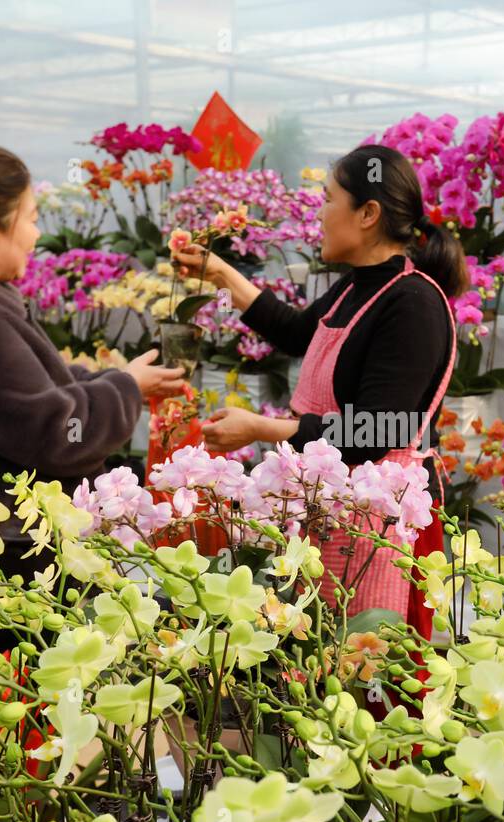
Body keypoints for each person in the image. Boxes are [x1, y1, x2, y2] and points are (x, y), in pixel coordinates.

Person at [171, 144, 463, 633]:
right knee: (315, 672)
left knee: (368, 679)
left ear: (368, 213)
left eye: (328, 199)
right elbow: (294, 331)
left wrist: (262, 429)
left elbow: (378, 429)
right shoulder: (358, 284)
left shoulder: (413, 304)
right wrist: (219, 273)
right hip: (331, 510)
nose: (319, 214)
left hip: (383, 528)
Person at [0, 143, 186, 605]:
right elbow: (53, 431)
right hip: (3, 551)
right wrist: (126, 386)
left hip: (1, 541)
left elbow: (33, 385)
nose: (36, 234)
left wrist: (114, 378)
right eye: (30, 217)